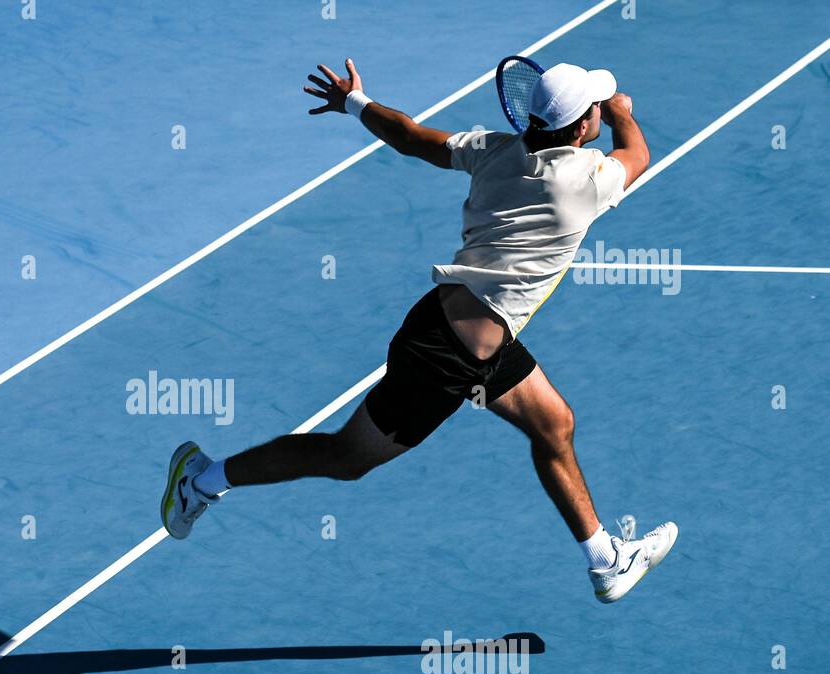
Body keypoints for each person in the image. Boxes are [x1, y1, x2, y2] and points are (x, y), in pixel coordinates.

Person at [160, 59, 677, 603]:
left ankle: (605, 561)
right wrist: (623, 114)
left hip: (473, 332)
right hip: (444, 357)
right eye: (594, 107)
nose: (602, 109)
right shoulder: (583, 182)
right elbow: (637, 154)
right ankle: (201, 479)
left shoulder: (495, 150)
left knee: (554, 425)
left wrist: (355, 103)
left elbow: (410, 137)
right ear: (578, 128)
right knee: (345, 459)